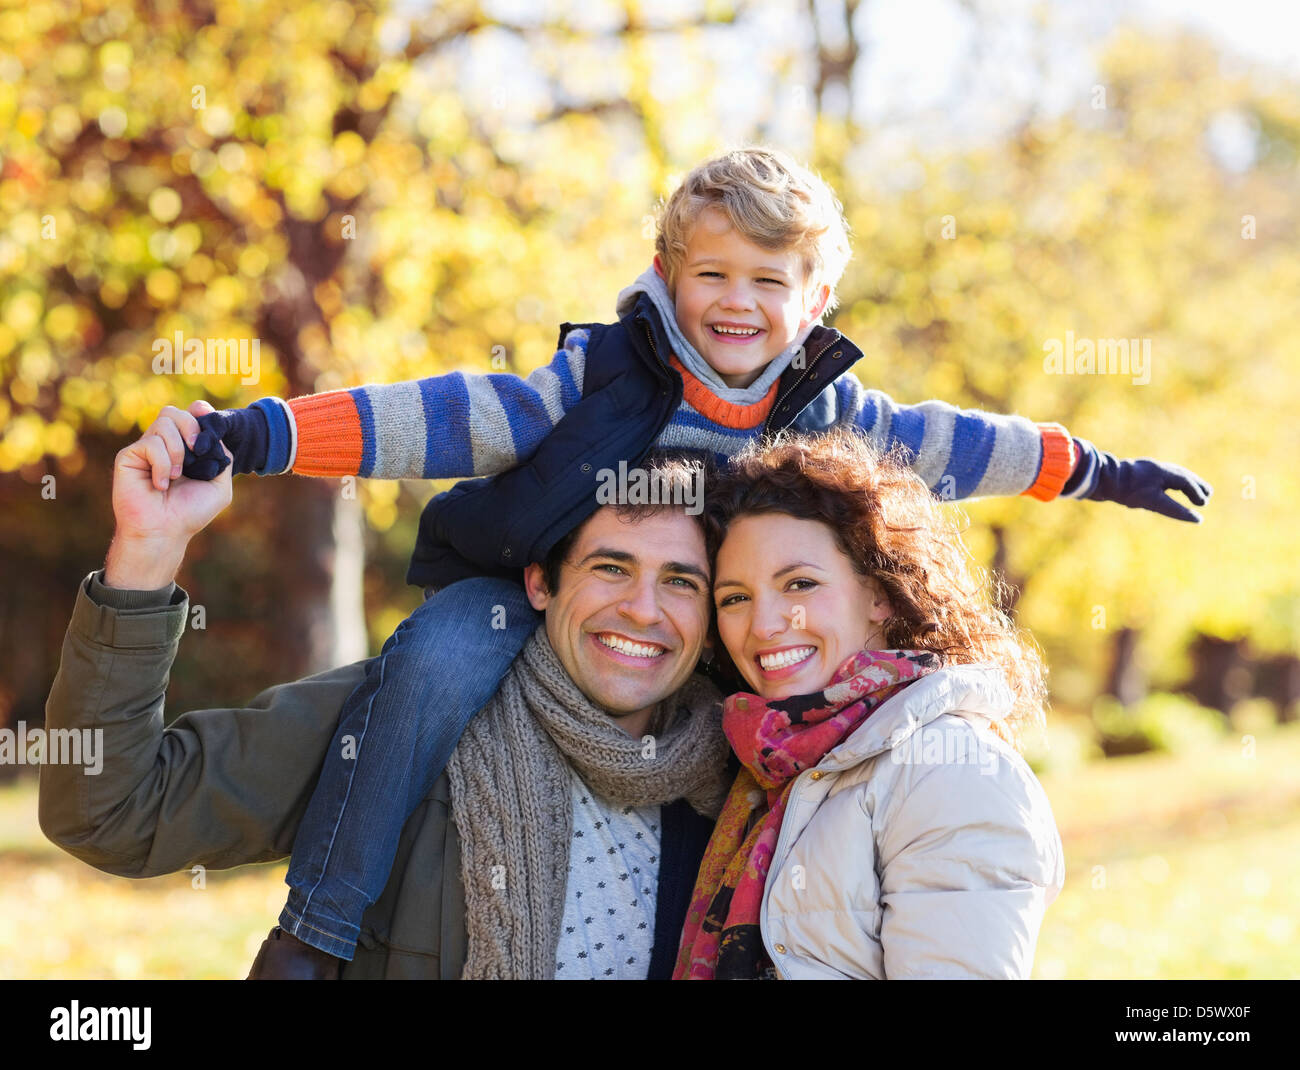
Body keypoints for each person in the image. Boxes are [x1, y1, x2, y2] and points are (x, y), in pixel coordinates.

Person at [168, 146, 1207, 971]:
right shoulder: (605, 375)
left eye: (769, 279)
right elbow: (446, 416)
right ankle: (318, 929)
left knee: (731, 754)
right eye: (711, 271)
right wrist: (265, 433)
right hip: (538, 586)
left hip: (708, 618)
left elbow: (955, 443)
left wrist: (1093, 467)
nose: (736, 301)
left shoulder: (831, 407)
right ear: (667, 274)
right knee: (431, 662)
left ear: (818, 297)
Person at [39, 413, 732, 979]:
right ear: (540, 584)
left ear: (712, 620)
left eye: (680, 582)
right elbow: (112, 812)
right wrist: (147, 550)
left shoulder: (737, 791)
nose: (643, 610)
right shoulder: (405, 719)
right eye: (611, 567)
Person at [675, 428, 1065, 979]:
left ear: (879, 594)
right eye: (735, 598)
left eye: (800, 585)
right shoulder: (766, 770)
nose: (763, 625)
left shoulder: (947, 770)